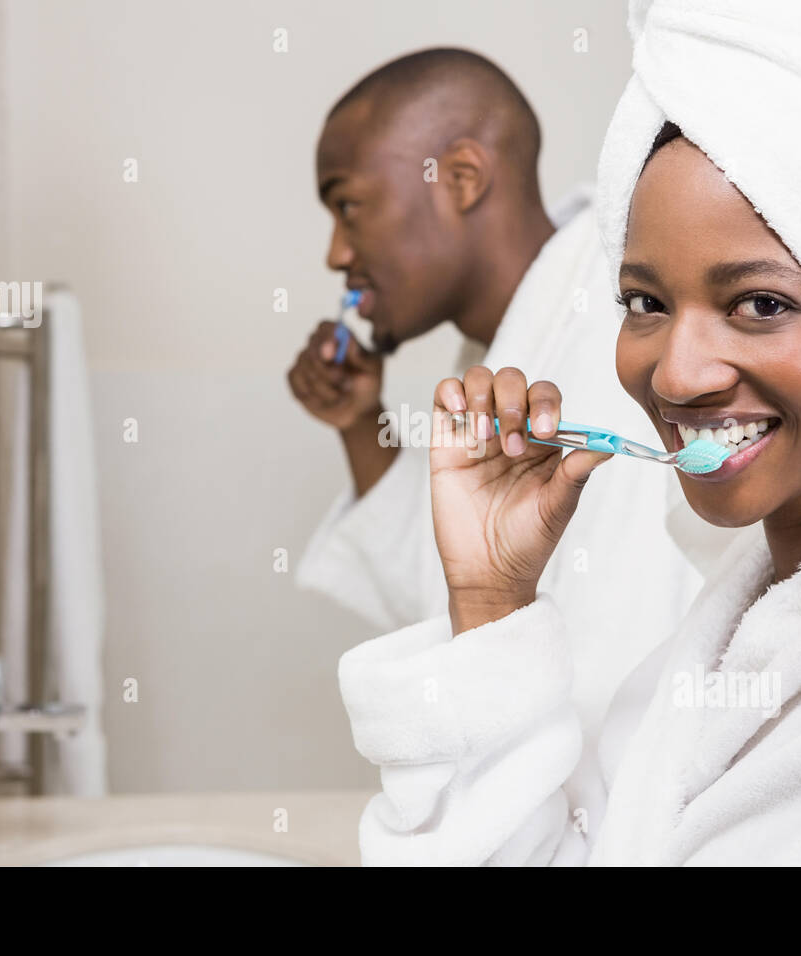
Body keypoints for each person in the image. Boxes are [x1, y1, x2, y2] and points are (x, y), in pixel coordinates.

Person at [337, 0, 801, 865]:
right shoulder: (716, 653)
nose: (677, 373)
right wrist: (490, 602)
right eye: (646, 303)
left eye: (760, 304)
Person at [288, 48, 727, 734]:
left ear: (461, 177)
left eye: (349, 206)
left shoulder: (618, 334)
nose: (337, 254)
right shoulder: (503, 349)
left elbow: (618, 677)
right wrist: (357, 422)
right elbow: (457, 587)